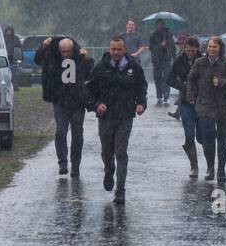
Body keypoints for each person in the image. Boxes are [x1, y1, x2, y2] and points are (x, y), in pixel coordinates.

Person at [86, 36, 148, 204]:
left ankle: (120, 190)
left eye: (119, 49)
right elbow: (89, 90)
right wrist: (97, 104)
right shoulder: (101, 67)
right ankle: (109, 169)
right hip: (106, 117)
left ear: (125, 50)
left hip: (125, 116)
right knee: (107, 152)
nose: (115, 52)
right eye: (113, 49)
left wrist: (141, 104)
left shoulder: (134, 67)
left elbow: (141, 88)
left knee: (120, 152)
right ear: (109, 49)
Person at [34, 35, 94, 177]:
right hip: (60, 100)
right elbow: (38, 60)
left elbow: (90, 74)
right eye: (63, 52)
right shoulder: (51, 57)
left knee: (77, 133)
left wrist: (86, 59)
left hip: (78, 101)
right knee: (61, 131)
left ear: (73, 49)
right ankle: (62, 162)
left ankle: (76, 165)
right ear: (59, 50)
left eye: (68, 51)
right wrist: (43, 46)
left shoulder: (80, 57)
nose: (66, 54)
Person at [187, 36, 226, 183]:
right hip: (205, 106)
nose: (211, 49)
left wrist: (222, 82)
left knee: (223, 140)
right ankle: (210, 167)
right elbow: (191, 79)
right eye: (210, 46)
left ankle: (221, 170)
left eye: (214, 47)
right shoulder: (200, 63)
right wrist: (191, 96)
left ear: (220, 49)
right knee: (208, 138)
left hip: (223, 107)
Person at [169, 36, 203, 177]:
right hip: (185, 102)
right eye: (188, 50)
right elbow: (169, 78)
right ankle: (194, 166)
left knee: (204, 136)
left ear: (197, 49)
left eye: (193, 51)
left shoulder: (202, 60)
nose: (190, 53)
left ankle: (210, 166)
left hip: (202, 101)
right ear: (184, 48)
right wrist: (182, 86)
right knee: (189, 134)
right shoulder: (179, 60)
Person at [148, 19, 174, 106]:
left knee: (167, 77)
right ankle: (159, 95)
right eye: (158, 24)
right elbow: (151, 47)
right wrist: (160, 46)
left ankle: (166, 94)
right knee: (157, 77)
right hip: (157, 60)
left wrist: (173, 56)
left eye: (161, 24)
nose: (160, 26)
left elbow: (172, 46)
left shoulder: (168, 34)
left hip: (166, 59)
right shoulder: (153, 34)